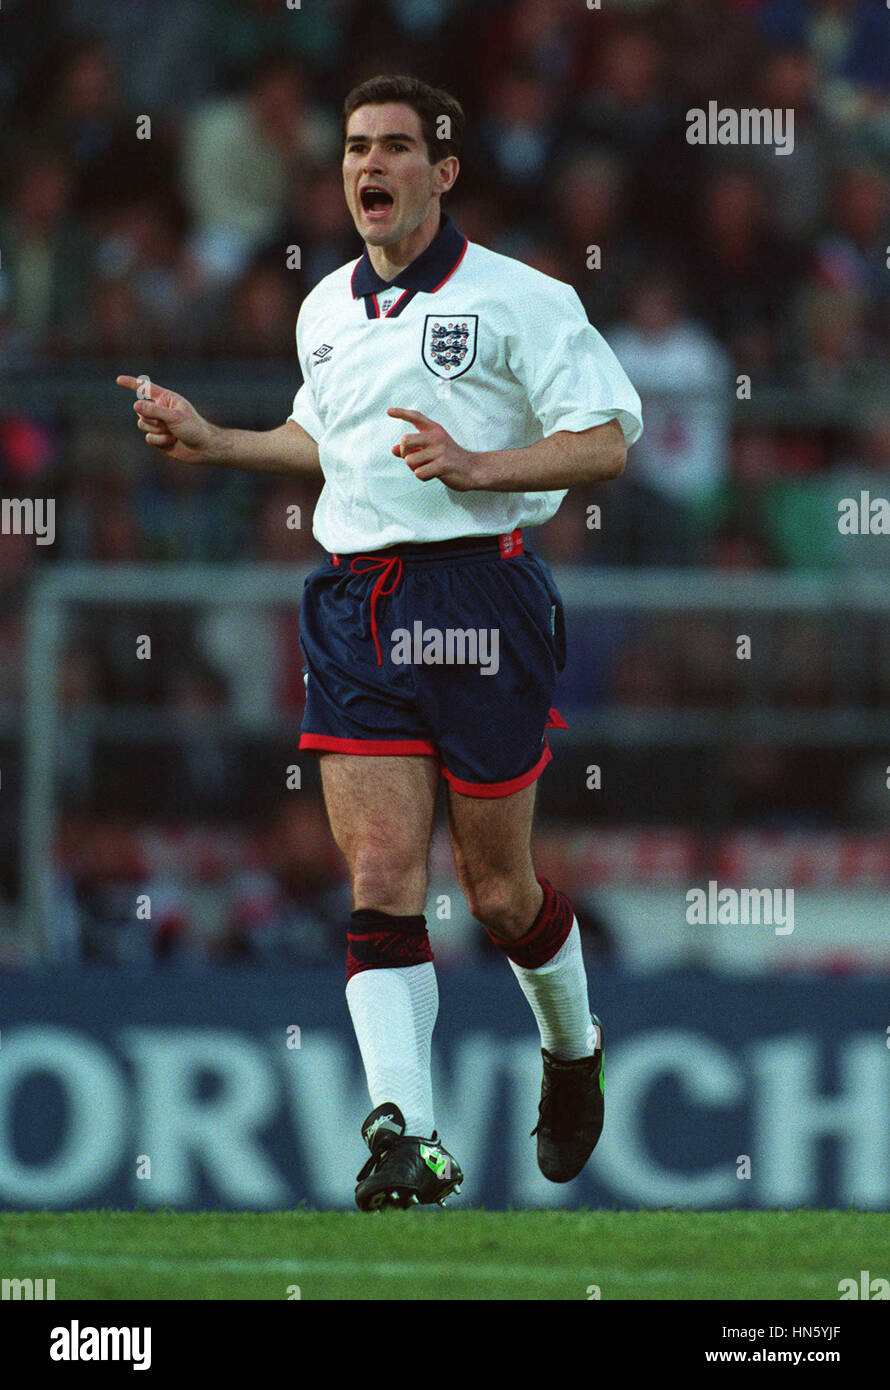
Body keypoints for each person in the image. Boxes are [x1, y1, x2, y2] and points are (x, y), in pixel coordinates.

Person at [117, 74, 643, 1212]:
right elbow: (327, 442)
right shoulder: (322, 308)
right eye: (356, 146)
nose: (370, 166)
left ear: (442, 172)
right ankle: (405, 1132)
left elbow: (602, 442)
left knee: (498, 893)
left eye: (396, 147)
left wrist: (479, 467)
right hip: (354, 603)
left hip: (480, 602)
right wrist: (216, 440)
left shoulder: (524, 298)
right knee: (381, 873)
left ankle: (571, 1045)